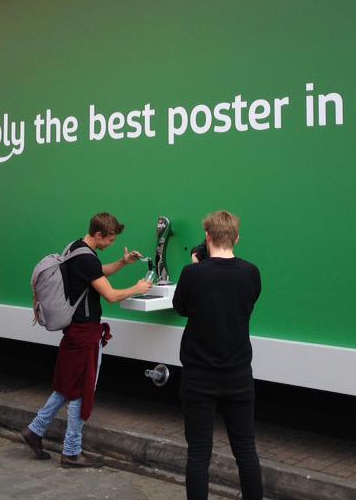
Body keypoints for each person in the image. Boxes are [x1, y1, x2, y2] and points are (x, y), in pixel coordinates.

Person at [20, 212, 151, 467]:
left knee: (65, 386)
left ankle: (35, 430)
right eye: (110, 240)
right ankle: (71, 451)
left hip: (74, 331)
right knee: (81, 390)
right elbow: (111, 296)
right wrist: (136, 289)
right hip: (85, 332)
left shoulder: (76, 248)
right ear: (98, 235)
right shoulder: (87, 259)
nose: (111, 243)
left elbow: (98, 273)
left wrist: (123, 262)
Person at [173, 211, 263, 500]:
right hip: (239, 375)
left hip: (198, 376)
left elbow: (181, 308)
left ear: (207, 237)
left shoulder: (192, 274)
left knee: (199, 454)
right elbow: (247, 303)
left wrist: (197, 267)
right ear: (237, 238)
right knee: (246, 451)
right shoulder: (251, 272)